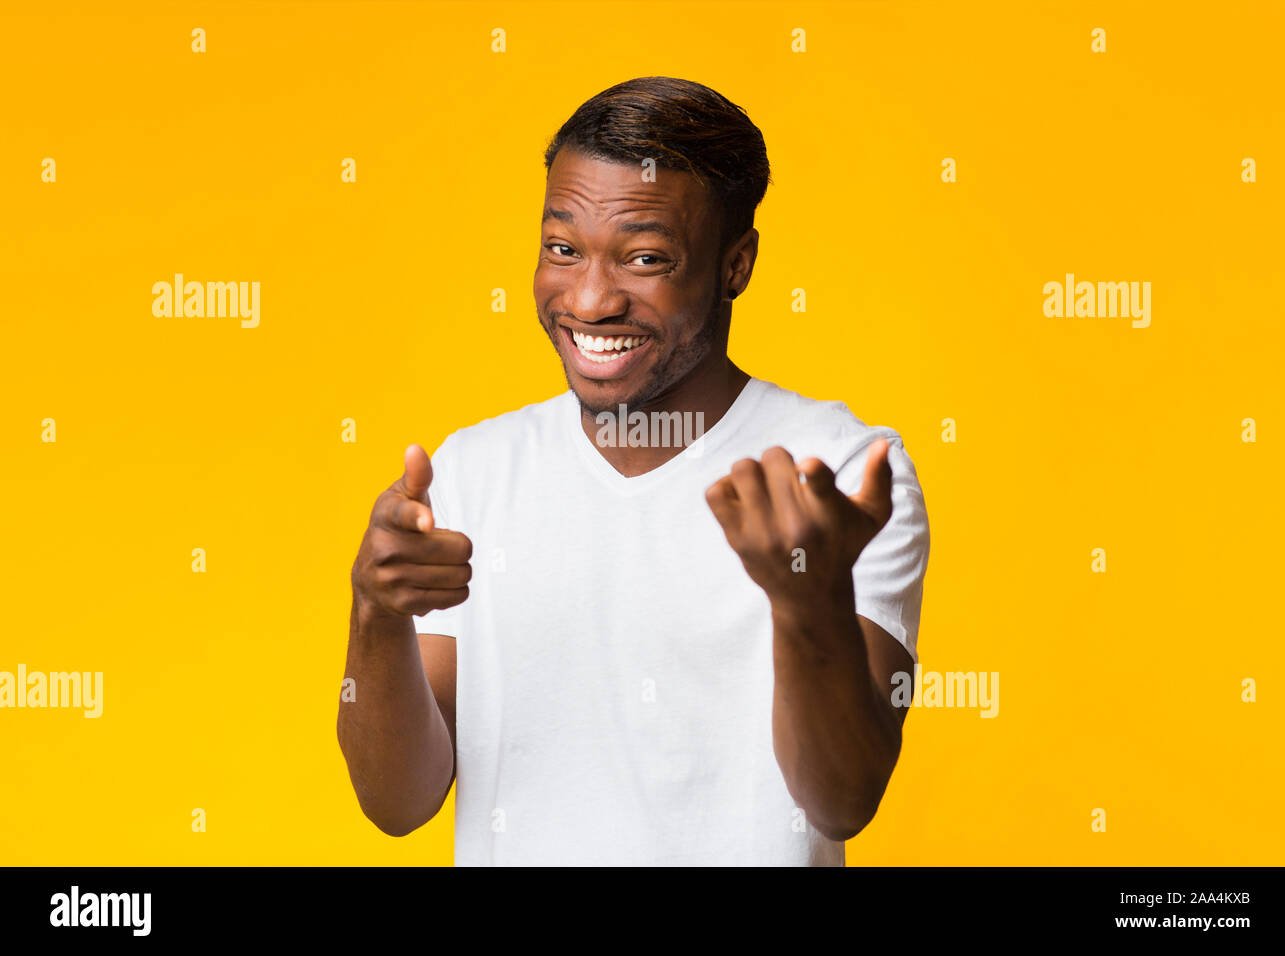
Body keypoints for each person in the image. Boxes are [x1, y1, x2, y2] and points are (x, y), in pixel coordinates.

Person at [337, 76, 931, 865]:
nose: (588, 298)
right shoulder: (472, 470)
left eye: (644, 257)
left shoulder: (841, 472)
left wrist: (806, 602)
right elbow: (397, 803)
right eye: (563, 248)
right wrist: (374, 611)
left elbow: (842, 799)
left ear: (736, 265)